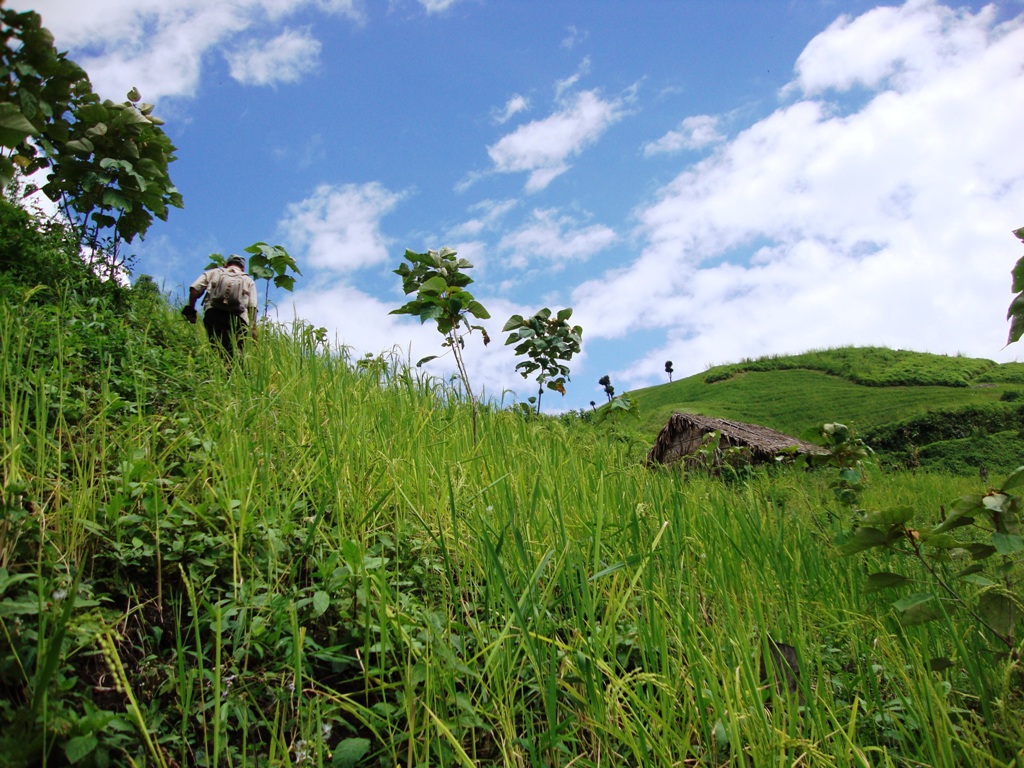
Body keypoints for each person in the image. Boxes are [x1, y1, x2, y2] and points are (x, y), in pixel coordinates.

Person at [182, 254, 258, 357]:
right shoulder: (248, 280)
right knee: (237, 351)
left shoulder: (214, 272)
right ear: (243, 268)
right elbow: (252, 306)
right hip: (238, 319)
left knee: (217, 346)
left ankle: (219, 363)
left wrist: (191, 310)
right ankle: (235, 365)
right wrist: (253, 328)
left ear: (225, 264)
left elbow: (195, 289)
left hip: (213, 314)